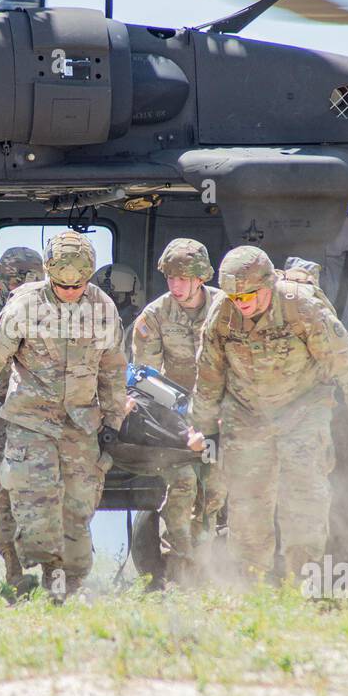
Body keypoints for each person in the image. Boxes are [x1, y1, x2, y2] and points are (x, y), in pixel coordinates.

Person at [0, 230, 128, 601]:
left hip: (81, 424)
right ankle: (49, 579)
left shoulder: (103, 309)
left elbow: (113, 368)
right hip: (31, 421)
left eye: (77, 285)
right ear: (49, 274)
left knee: (79, 508)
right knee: (35, 506)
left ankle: (74, 581)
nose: (69, 290)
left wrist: (113, 421)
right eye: (61, 285)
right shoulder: (24, 306)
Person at [189, 246, 348, 585]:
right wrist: (205, 430)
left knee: (303, 494)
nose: (241, 303)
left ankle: (305, 581)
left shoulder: (302, 308)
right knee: (248, 500)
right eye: (234, 296)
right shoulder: (222, 315)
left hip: (303, 407)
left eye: (248, 295)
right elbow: (209, 376)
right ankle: (252, 585)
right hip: (247, 413)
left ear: (268, 285)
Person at [130, 238, 225, 585]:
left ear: (200, 277)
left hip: (220, 417)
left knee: (213, 495)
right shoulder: (154, 316)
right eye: (170, 278)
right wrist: (182, 426)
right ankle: (180, 575)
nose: (175, 285)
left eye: (183, 278)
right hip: (177, 422)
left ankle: (208, 571)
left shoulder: (226, 308)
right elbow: (146, 380)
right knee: (182, 491)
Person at [0, 246, 45, 594]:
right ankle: (16, 576)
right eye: (5, 282)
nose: (8, 289)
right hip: (2, 420)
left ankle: (55, 575)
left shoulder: (56, 311)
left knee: (45, 498)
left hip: (41, 418)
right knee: (5, 498)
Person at [91, 262, 144, 356]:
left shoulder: (143, 331)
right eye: (101, 298)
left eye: (116, 296)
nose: (107, 303)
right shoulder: (86, 331)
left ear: (133, 298)